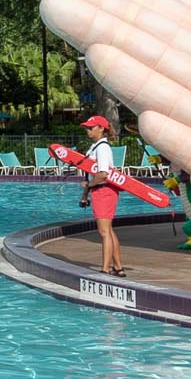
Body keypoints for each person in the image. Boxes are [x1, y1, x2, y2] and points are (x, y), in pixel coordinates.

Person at [83, 114, 125, 276]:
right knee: (108, 230)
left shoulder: (102, 148)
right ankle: (118, 267)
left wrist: (89, 185)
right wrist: (85, 193)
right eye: (87, 127)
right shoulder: (96, 146)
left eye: (90, 127)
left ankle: (105, 269)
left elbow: (102, 174)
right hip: (101, 191)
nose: (87, 130)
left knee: (104, 232)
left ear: (101, 129)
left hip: (104, 191)